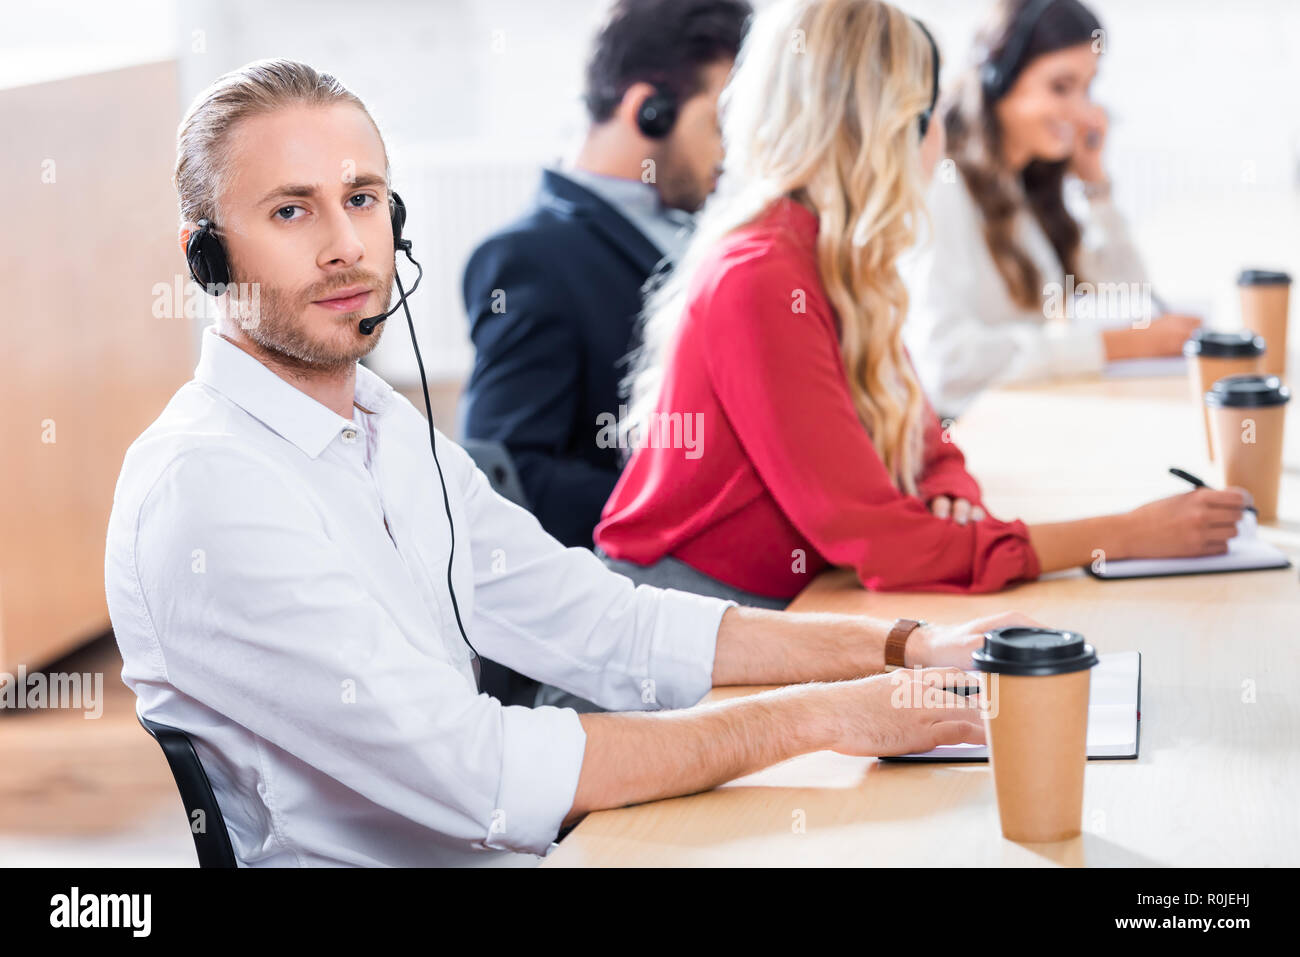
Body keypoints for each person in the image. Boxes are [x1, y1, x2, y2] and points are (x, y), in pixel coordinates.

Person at [104, 57, 1034, 868]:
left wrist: (904, 648)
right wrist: (824, 716)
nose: (346, 246)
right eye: (290, 210)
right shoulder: (209, 488)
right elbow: (483, 772)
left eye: (362, 199)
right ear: (207, 258)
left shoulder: (383, 428)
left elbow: (607, 624)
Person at [594, 0, 1247, 607]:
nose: (942, 134)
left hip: (792, 599)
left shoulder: (838, 263)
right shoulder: (762, 276)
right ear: (893, 131)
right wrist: (1127, 534)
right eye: (928, 115)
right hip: (688, 618)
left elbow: (930, 446)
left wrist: (947, 492)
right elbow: (884, 544)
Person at [459, 0, 751, 550]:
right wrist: (700, 508)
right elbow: (509, 473)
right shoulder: (530, 258)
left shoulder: (706, 223)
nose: (731, 152)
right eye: (720, 124)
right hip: (648, 572)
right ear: (649, 110)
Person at [900, 0, 1201, 420]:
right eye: (1060, 87)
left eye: (1087, 88)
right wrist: (1118, 345)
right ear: (998, 77)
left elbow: (1128, 291)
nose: (1082, 112)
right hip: (970, 431)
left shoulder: (1025, 184)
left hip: (1024, 417)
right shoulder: (946, 187)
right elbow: (947, 362)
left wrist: (1095, 184)